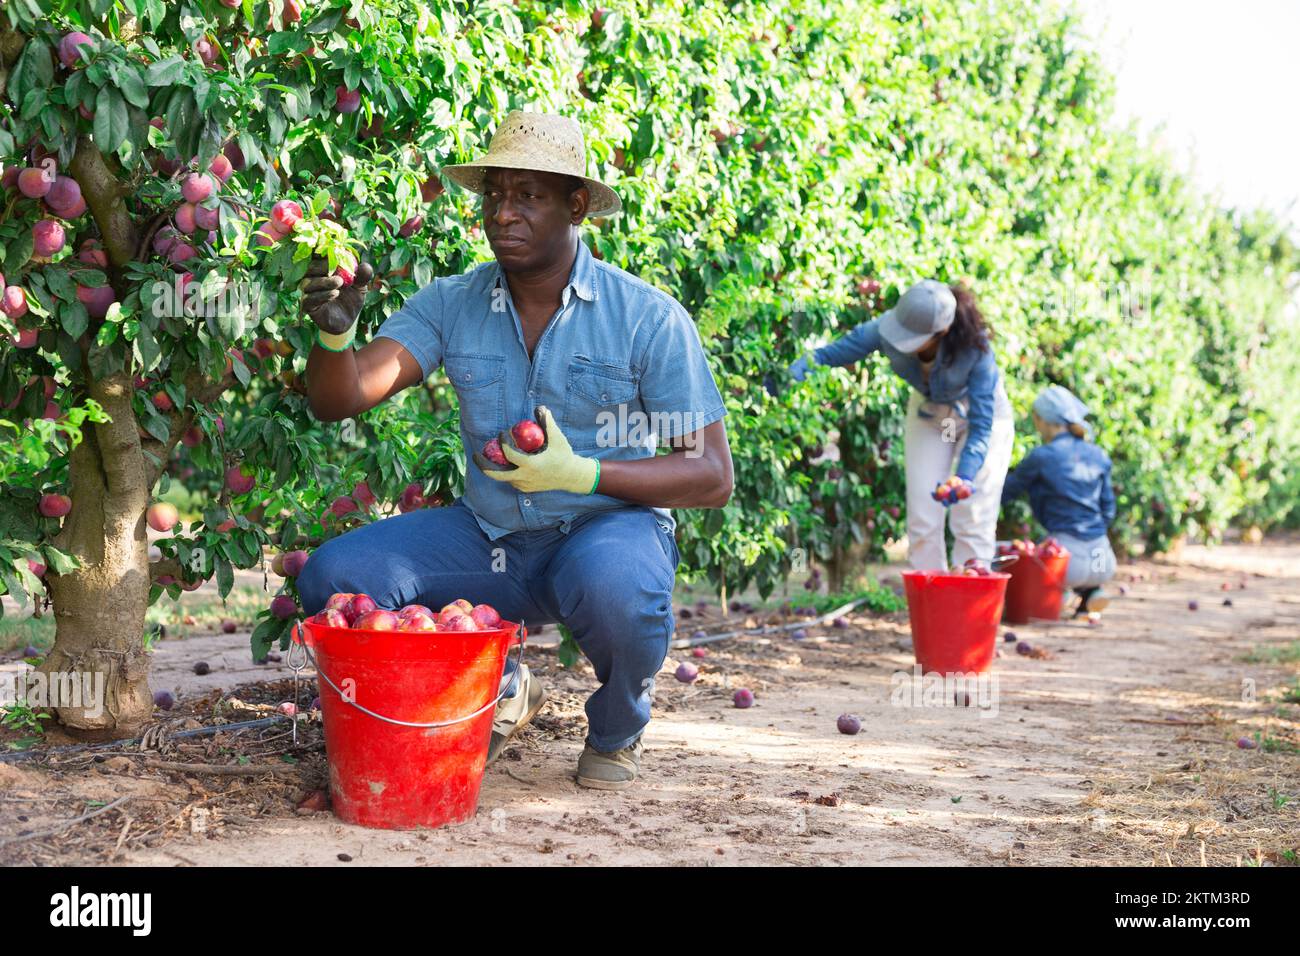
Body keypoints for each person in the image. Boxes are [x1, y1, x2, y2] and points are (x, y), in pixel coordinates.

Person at [295, 111, 733, 791]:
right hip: (489, 536)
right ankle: (499, 688)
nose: (503, 213)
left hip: (603, 534)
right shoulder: (452, 304)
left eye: (527, 196)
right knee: (336, 574)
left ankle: (616, 733)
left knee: (622, 588)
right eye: (494, 195)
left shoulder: (647, 317)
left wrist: (586, 472)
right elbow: (342, 396)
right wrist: (333, 338)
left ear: (576, 205)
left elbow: (710, 475)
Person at [777, 280, 1014, 570]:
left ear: (942, 332)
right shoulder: (886, 328)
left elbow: (981, 426)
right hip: (930, 413)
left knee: (972, 515)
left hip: (980, 416)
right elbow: (831, 355)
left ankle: (971, 600)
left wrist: (964, 476)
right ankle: (931, 598)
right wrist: (793, 373)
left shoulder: (976, 351)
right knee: (923, 515)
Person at [1000, 385, 1116, 616]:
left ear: (1043, 420)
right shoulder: (1098, 454)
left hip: (1065, 560)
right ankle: (1091, 594)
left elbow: (1006, 492)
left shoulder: (1042, 457)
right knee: (1088, 556)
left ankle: (1057, 594)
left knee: (1031, 550)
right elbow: (1108, 508)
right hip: (1102, 558)